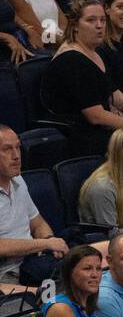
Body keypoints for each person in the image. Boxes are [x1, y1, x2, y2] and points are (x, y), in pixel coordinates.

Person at [42, 0, 123, 157]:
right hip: (80, 136)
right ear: (75, 25)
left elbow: (118, 97)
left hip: (98, 130)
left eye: (103, 20)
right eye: (91, 20)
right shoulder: (72, 59)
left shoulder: (95, 53)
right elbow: (96, 116)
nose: (99, 25)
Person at [0, 124, 67, 293]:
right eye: (7, 149)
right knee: (62, 291)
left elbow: (37, 223)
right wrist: (44, 244)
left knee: (84, 267)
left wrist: (49, 240)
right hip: (7, 274)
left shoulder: (19, 181)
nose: (16, 156)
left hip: (32, 262)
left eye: (17, 148)